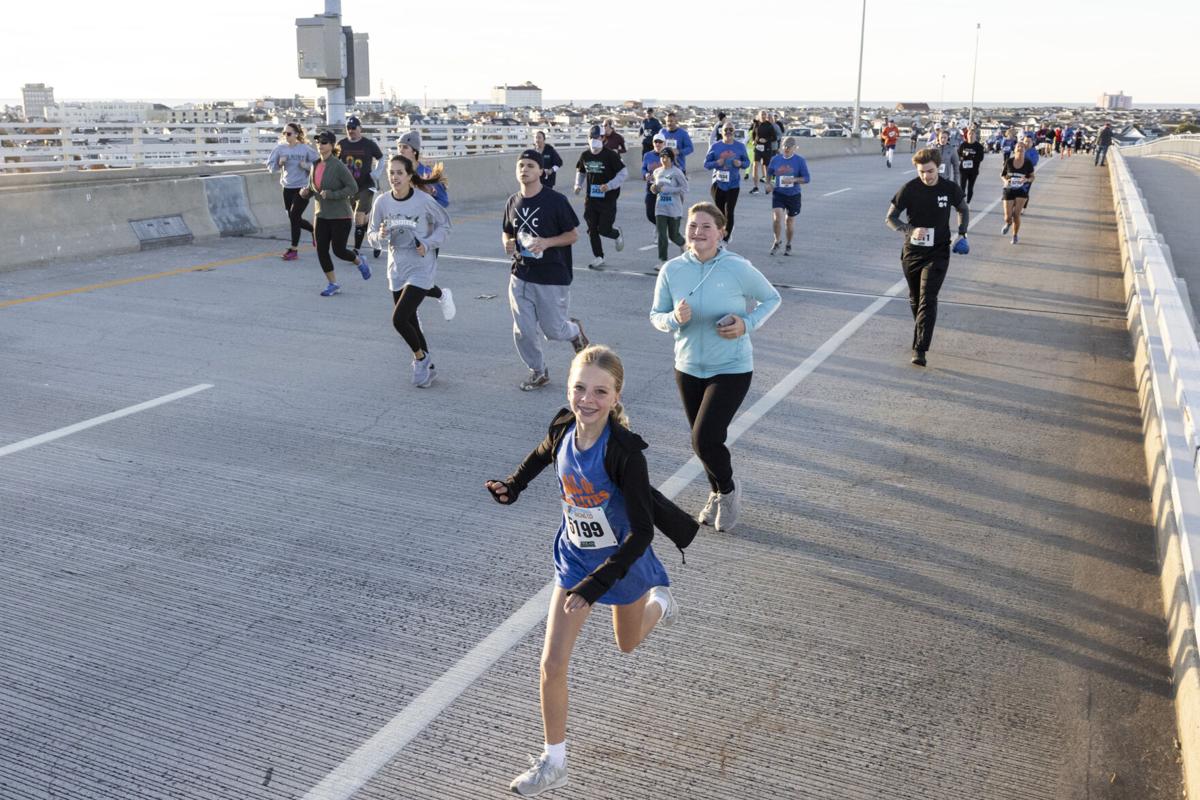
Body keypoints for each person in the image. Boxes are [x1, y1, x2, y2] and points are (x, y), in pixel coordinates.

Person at [487, 344, 698, 798]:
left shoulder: (625, 455)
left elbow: (641, 532)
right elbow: (543, 453)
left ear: (617, 397)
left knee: (627, 643)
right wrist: (514, 485)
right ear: (568, 388)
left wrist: (600, 582)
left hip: (620, 564)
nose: (588, 399)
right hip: (574, 558)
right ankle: (554, 761)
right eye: (580, 388)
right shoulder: (565, 426)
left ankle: (660, 601)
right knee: (552, 662)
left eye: (600, 392)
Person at [650, 202, 782, 531]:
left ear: (721, 232)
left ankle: (727, 492)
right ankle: (716, 492)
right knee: (705, 440)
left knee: (704, 439)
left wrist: (746, 324)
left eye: (706, 226)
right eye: (693, 225)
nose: (698, 232)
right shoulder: (672, 270)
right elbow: (656, 315)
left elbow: (772, 298)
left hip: (732, 367)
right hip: (688, 367)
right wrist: (672, 319)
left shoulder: (737, 267)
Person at [504, 149, 590, 391]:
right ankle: (538, 371)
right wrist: (506, 242)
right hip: (520, 275)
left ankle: (574, 331)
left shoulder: (555, 201)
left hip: (552, 276)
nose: (525, 169)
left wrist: (547, 242)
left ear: (541, 171)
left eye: (531, 165)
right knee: (524, 330)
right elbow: (507, 230)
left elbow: (573, 235)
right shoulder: (513, 201)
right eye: (521, 165)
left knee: (554, 330)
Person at [366, 155, 452, 388]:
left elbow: (445, 225)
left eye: (399, 173)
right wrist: (379, 237)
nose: (394, 177)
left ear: (409, 175)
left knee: (399, 318)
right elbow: (371, 235)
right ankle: (429, 368)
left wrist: (428, 243)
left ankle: (420, 359)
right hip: (397, 268)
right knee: (411, 320)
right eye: (391, 173)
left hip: (421, 266)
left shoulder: (423, 201)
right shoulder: (382, 202)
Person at [884, 147, 970, 368]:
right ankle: (922, 327)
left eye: (930, 171)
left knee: (928, 298)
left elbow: (963, 208)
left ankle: (920, 349)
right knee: (915, 298)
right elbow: (890, 218)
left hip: (938, 251)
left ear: (938, 167)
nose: (926, 176)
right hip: (912, 252)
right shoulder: (909, 189)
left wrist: (962, 232)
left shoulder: (949, 188)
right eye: (922, 171)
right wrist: (908, 229)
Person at [301, 130, 371, 296]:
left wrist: (332, 195)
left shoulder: (338, 165)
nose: (320, 145)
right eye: (318, 142)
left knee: (339, 251)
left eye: (324, 142)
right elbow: (314, 188)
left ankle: (360, 261)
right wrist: (306, 192)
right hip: (321, 215)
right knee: (321, 250)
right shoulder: (315, 164)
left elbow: (353, 188)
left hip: (340, 216)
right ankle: (333, 284)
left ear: (332, 146)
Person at [574, 125, 628, 269]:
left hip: (608, 198)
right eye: (591, 137)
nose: (594, 140)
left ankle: (616, 234)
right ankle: (598, 256)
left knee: (604, 229)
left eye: (597, 137)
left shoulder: (611, 155)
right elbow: (581, 171)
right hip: (591, 199)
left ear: (603, 138)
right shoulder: (585, 155)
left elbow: (623, 174)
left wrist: (609, 185)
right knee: (592, 229)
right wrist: (577, 185)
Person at [265, 122, 318, 261]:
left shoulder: (305, 149)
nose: (286, 136)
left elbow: (319, 165)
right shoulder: (280, 149)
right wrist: (279, 163)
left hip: (303, 188)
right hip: (287, 187)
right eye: (284, 133)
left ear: (296, 134)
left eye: (289, 133)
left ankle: (293, 250)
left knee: (294, 216)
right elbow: (271, 167)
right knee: (293, 218)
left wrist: (306, 166)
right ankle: (313, 230)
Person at [337, 116, 384, 258]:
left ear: (360, 129)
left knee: (358, 216)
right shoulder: (341, 144)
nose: (351, 131)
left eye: (353, 128)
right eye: (348, 128)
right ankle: (375, 240)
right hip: (348, 188)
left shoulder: (368, 144)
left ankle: (356, 250)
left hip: (365, 186)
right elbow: (334, 162)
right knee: (358, 220)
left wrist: (376, 173)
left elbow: (381, 158)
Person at [703, 122, 750, 242]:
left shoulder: (740, 147)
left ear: (734, 132)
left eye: (731, 130)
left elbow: (747, 163)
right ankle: (720, 232)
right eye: (725, 130)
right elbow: (706, 164)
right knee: (719, 212)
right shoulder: (715, 146)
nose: (728, 132)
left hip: (733, 184)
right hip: (718, 184)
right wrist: (715, 163)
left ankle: (725, 238)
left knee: (730, 211)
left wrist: (740, 164)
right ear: (721, 132)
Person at [767, 137, 811, 256]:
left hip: (793, 195)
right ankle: (777, 241)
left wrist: (794, 179)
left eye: (790, 146)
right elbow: (769, 172)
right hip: (779, 193)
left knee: (789, 221)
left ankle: (788, 244)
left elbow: (807, 178)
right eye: (785, 145)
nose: (787, 148)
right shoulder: (775, 159)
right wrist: (768, 183)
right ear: (782, 146)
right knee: (777, 218)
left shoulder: (800, 161)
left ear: (795, 148)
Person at [650, 148, 688, 264]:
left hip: (674, 209)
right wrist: (653, 189)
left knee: (674, 235)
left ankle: (685, 245)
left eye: (666, 157)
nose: (664, 159)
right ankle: (663, 260)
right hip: (660, 208)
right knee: (662, 235)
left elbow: (685, 188)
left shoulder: (676, 172)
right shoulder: (657, 172)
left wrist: (669, 189)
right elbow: (655, 188)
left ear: (671, 159)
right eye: (662, 157)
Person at [1000, 140, 1035, 245]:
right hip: (1009, 189)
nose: (1020, 148)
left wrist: (1026, 180)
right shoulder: (1009, 161)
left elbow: (1033, 177)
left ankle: (1015, 235)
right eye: (1018, 147)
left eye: (1022, 147)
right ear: (1014, 150)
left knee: (1016, 215)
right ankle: (1008, 223)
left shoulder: (1028, 163)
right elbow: (1002, 175)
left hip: (1022, 190)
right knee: (1007, 216)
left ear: (1025, 150)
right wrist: (1006, 181)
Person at [641, 132, 668, 242]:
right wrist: (646, 174)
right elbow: (643, 168)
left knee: (662, 211)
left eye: (660, 142)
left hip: (663, 189)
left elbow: (674, 168)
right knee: (649, 213)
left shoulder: (668, 155)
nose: (657, 144)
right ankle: (659, 226)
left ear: (664, 143)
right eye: (655, 142)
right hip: (650, 187)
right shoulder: (647, 155)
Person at [749, 111, 778, 194]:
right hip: (758, 148)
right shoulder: (756, 124)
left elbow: (774, 137)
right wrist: (754, 141)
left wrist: (766, 140)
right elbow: (754, 134)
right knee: (755, 166)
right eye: (762, 115)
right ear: (759, 116)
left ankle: (767, 186)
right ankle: (755, 187)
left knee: (766, 167)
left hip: (767, 149)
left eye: (765, 115)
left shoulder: (769, 125)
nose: (764, 116)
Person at [957, 127, 985, 204]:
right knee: (962, 186)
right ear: (967, 135)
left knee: (970, 187)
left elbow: (981, 158)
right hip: (963, 169)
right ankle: (961, 202)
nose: (971, 135)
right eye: (969, 134)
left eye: (973, 134)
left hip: (973, 170)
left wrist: (970, 157)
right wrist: (962, 157)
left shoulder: (979, 146)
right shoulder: (963, 145)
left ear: (975, 136)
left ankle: (968, 202)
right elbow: (958, 154)